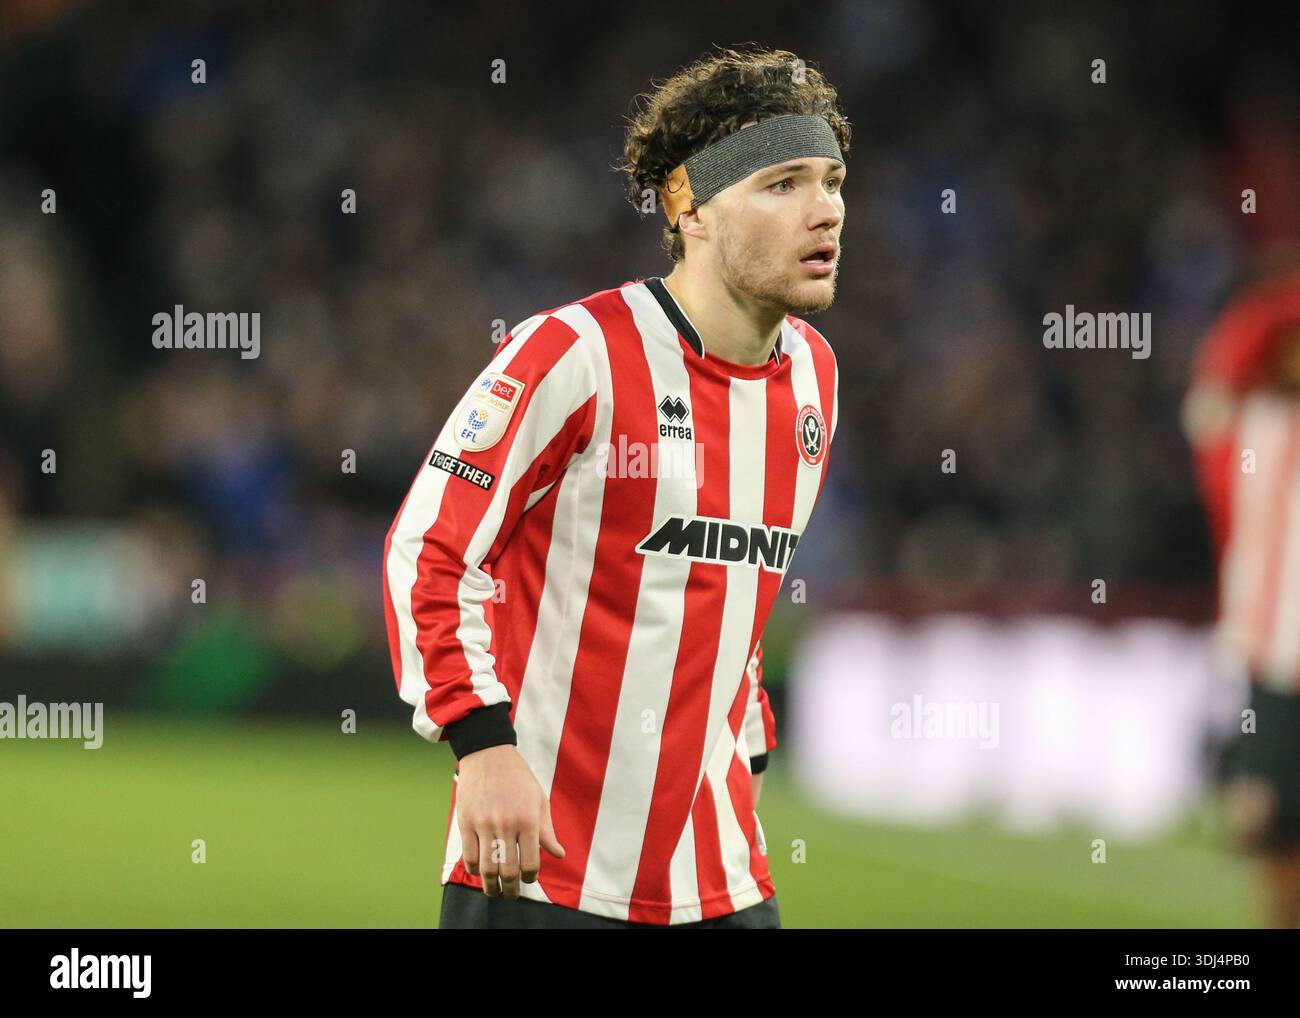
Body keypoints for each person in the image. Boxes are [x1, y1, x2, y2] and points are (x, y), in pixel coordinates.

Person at [382, 45, 848, 928]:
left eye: (832, 181)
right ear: (691, 209)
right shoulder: (575, 352)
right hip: (544, 871)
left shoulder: (816, 378)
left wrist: (746, 753)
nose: (825, 211)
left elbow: (737, 601)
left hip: (725, 881)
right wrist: (481, 746)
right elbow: (430, 552)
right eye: (783, 184)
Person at [1182, 256, 1300, 929]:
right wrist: (1278, 305)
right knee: (1271, 839)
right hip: (1275, 665)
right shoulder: (1247, 429)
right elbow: (1219, 371)